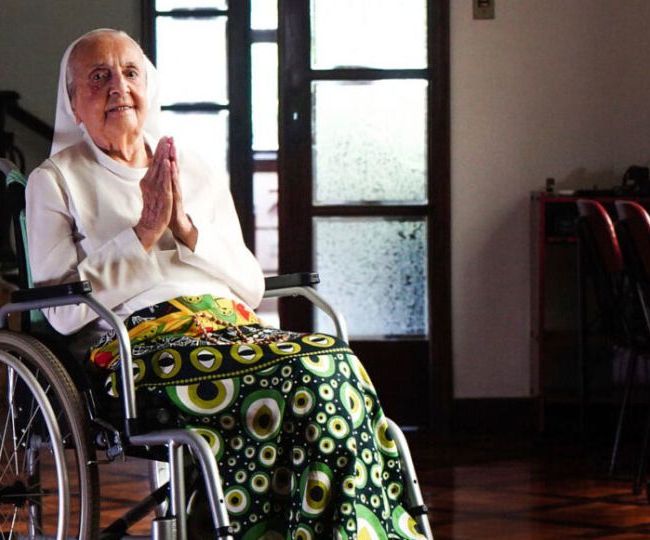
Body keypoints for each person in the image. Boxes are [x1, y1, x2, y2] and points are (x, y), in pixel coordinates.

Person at [26, 28, 424, 540]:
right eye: (99, 77)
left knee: (333, 364)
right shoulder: (55, 180)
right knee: (303, 376)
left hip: (230, 329)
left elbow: (249, 285)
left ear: (148, 87)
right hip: (136, 347)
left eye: (130, 73)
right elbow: (61, 310)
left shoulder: (192, 166)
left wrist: (186, 228)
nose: (118, 88)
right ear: (73, 103)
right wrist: (144, 230)